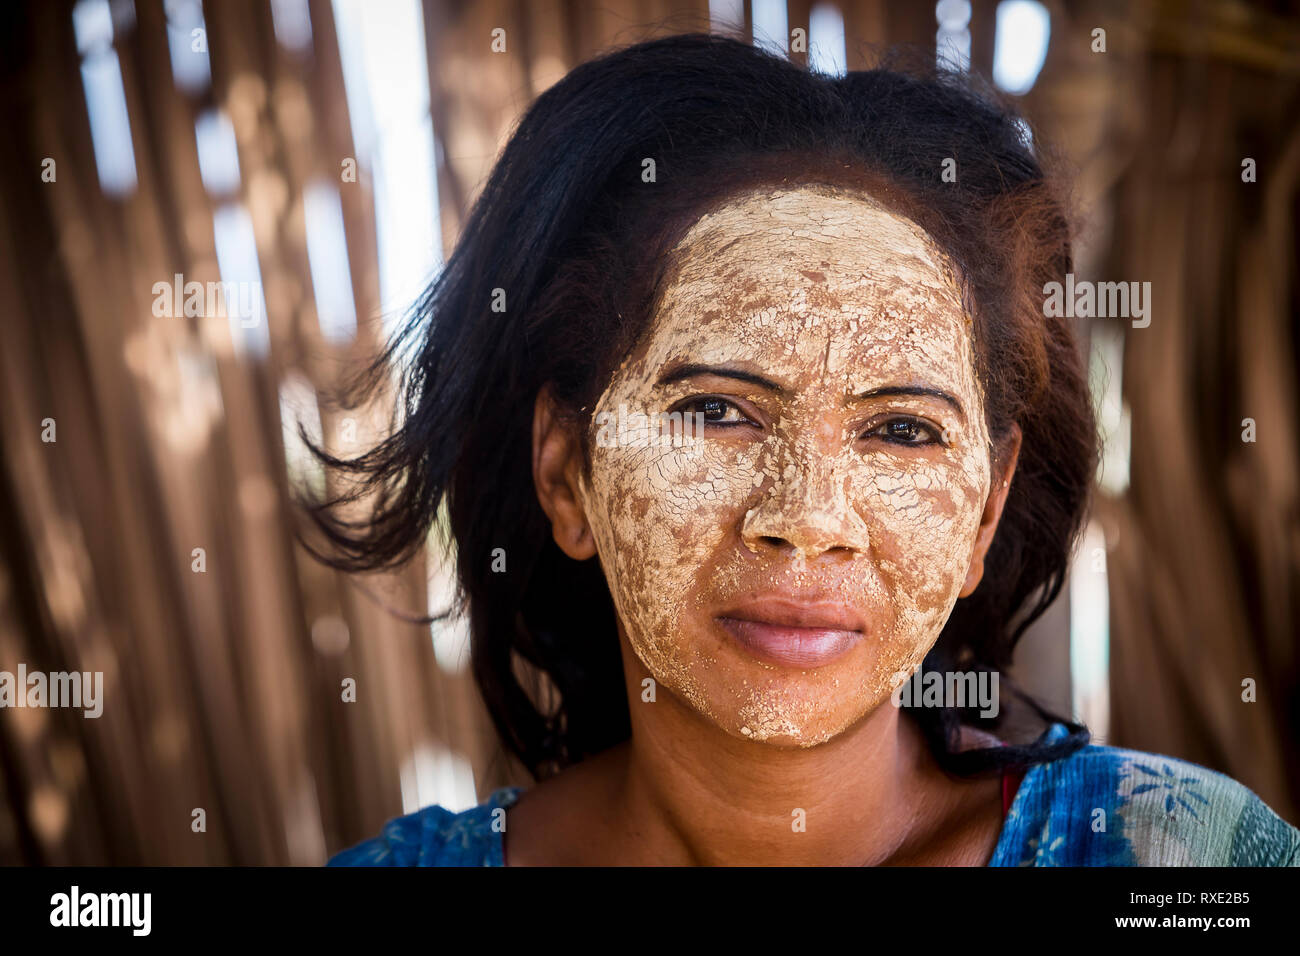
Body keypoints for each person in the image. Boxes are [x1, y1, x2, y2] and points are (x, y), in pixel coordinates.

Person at [316, 33, 1300, 866]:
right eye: (715, 410)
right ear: (566, 471)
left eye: (902, 428)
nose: (806, 517)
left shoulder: (1185, 854)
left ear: (984, 511)